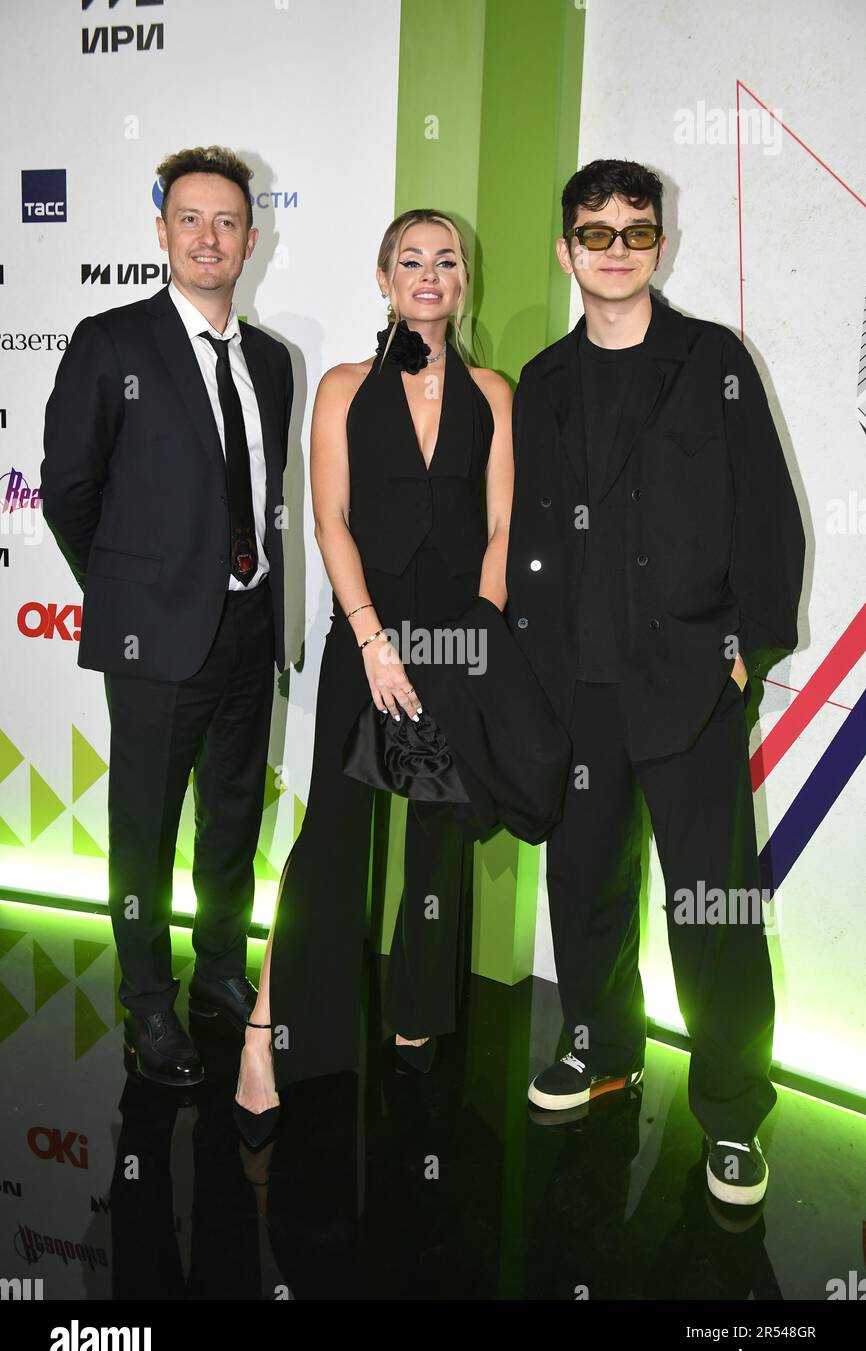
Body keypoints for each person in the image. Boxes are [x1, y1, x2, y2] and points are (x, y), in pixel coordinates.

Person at [506, 158, 805, 1206]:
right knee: (583, 888)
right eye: (598, 232)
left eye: (637, 231)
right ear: (566, 250)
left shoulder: (711, 360)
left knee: (710, 906)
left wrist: (748, 647)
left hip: (687, 685)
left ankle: (729, 1108)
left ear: (661, 245)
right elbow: (529, 535)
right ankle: (600, 1050)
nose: (618, 248)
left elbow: (767, 514)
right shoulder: (540, 381)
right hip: (576, 691)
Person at [233, 209, 514, 1142]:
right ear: (383, 278)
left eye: (446, 260)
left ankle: (416, 1016)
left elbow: (504, 527)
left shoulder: (495, 392)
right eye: (410, 260)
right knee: (334, 831)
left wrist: (471, 643)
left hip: (459, 641)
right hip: (369, 637)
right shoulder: (345, 387)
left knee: (437, 836)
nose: (428, 274)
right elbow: (330, 520)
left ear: (463, 280)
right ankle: (268, 1030)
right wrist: (374, 639)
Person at [41, 146, 293, 1087]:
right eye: (189, 219)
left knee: (231, 819)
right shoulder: (112, 342)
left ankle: (221, 971)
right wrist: (130, 595)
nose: (208, 237)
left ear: (251, 240)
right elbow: (71, 488)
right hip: (154, 640)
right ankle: (148, 1003)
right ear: (161, 233)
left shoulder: (271, 361)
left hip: (249, 627)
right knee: (144, 830)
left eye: (226, 222)